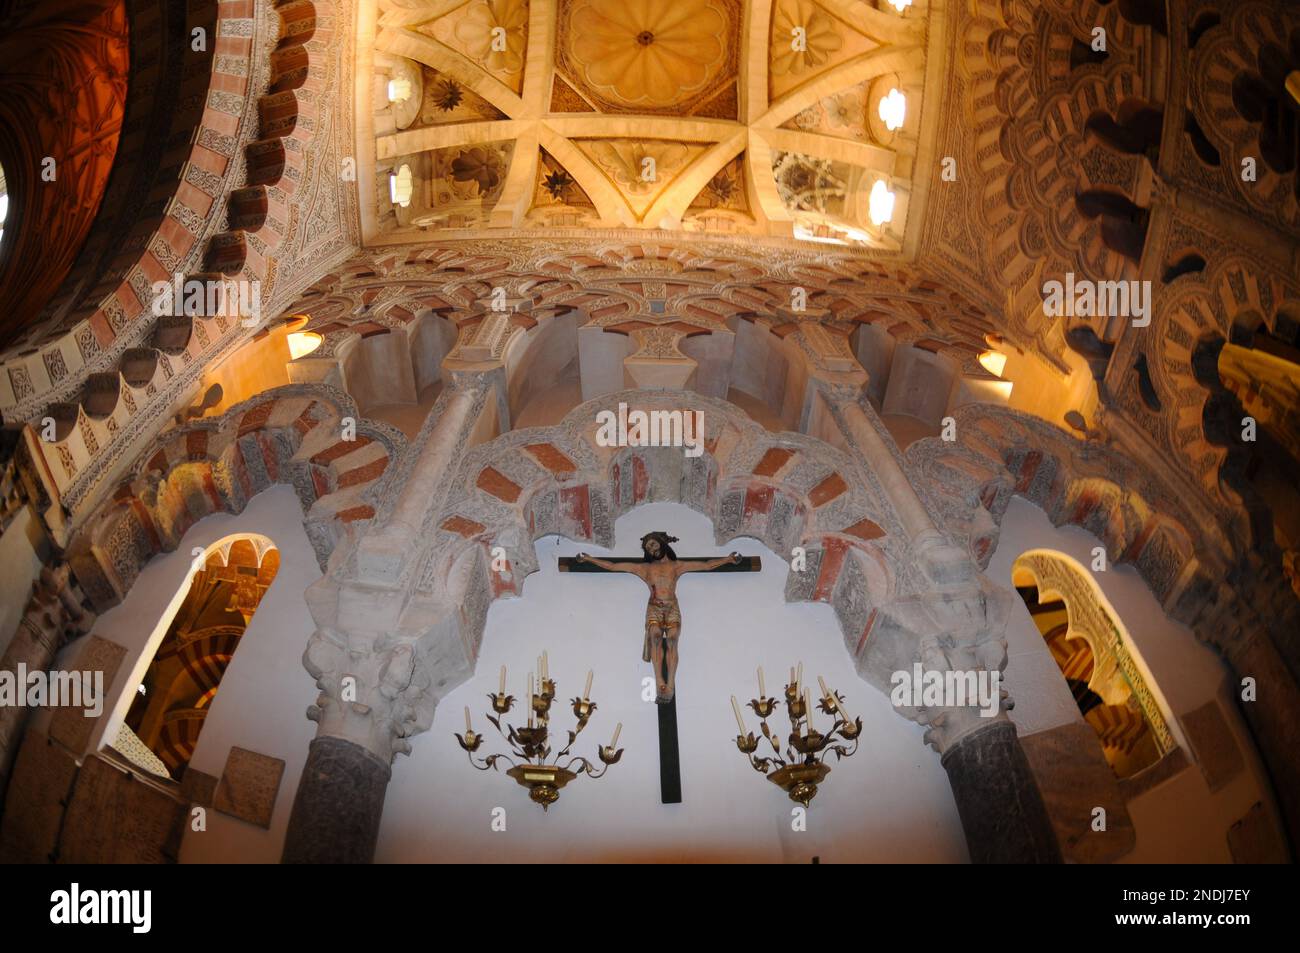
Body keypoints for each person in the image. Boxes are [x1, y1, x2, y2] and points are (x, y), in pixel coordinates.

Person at [576, 532, 741, 703]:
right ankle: (659, 682)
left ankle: (670, 684)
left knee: (672, 640)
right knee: (655, 637)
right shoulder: (645, 568)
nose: (652, 549)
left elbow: (706, 565)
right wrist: (589, 559)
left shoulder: (677, 566)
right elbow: (612, 566)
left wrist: (728, 559)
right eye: (648, 548)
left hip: (672, 607)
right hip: (654, 607)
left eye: (653, 545)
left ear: (663, 544)